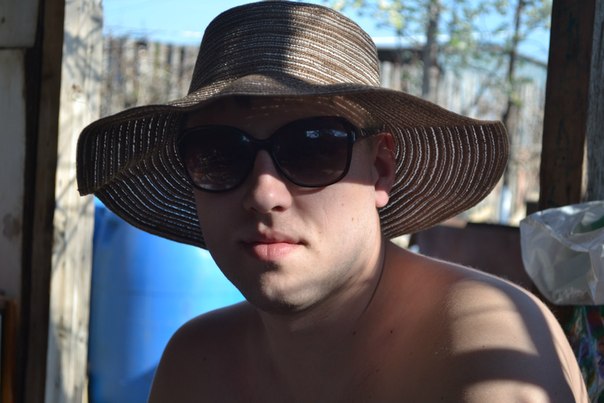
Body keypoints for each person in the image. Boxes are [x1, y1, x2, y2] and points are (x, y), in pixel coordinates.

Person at [77, 1, 588, 401]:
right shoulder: (195, 361)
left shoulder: (488, 342)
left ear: (380, 169)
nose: (263, 194)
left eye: (313, 149)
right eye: (219, 156)